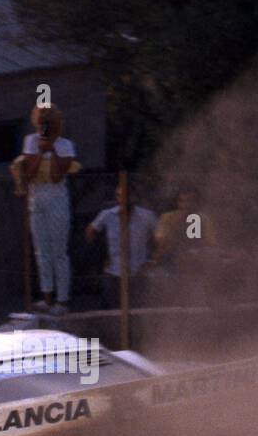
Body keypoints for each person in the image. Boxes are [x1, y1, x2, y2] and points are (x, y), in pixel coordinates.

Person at [15, 103, 77, 316]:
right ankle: (46, 296)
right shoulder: (30, 142)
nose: (45, 128)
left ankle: (62, 299)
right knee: (41, 251)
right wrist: (41, 152)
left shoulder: (66, 145)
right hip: (36, 199)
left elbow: (58, 175)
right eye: (42, 124)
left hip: (57, 199)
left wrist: (52, 150)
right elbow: (30, 173)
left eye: (49, 124)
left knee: (58, 252)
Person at [85, 182, 158, 309]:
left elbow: (159, 240)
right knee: (113, 311)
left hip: (139, 273)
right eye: (119, 196)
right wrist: (101, 255)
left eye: (126, 196)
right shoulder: (107, 215)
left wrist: (152, 260)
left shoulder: (147, 216)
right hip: (114, 273)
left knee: (139, 310)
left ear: (134, 197)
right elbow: (90, 232)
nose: (122, 199)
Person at [152, 187, 214, 271]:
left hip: (195, 264)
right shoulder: (167, 217)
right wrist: (178, 222)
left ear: (196, 203)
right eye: (181, 201)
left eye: (190, 201)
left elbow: (210, 245)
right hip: (168, 263)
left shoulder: (204, 219)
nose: (185, 205)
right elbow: (161, 242)